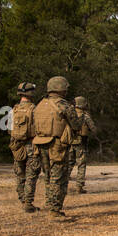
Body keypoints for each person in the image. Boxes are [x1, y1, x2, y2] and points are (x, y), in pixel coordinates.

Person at [31, 76, 82, 218]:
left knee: (48, 176)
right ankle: (55, 210)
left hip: (40, 143)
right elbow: (76, 125)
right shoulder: (63, 105)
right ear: (61, 89)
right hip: (57, 145)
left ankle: (49, 203)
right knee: (58, 177)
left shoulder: (40, 104)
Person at [9, 83, 41, 212]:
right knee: (31, 174)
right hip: (31, 144)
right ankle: (28, 202)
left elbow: (9, 129)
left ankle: (22, 199)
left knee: (19, 173)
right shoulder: (34, 109)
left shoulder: (14, 109)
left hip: (16, 145)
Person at [71, 96, 96, 193]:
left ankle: (62, 186)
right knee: (81, 165)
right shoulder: (85, 116)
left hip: (69, 142)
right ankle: (79, 187)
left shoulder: (70, 115)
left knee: (68, 164)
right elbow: (93, 129)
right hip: (81, 143)